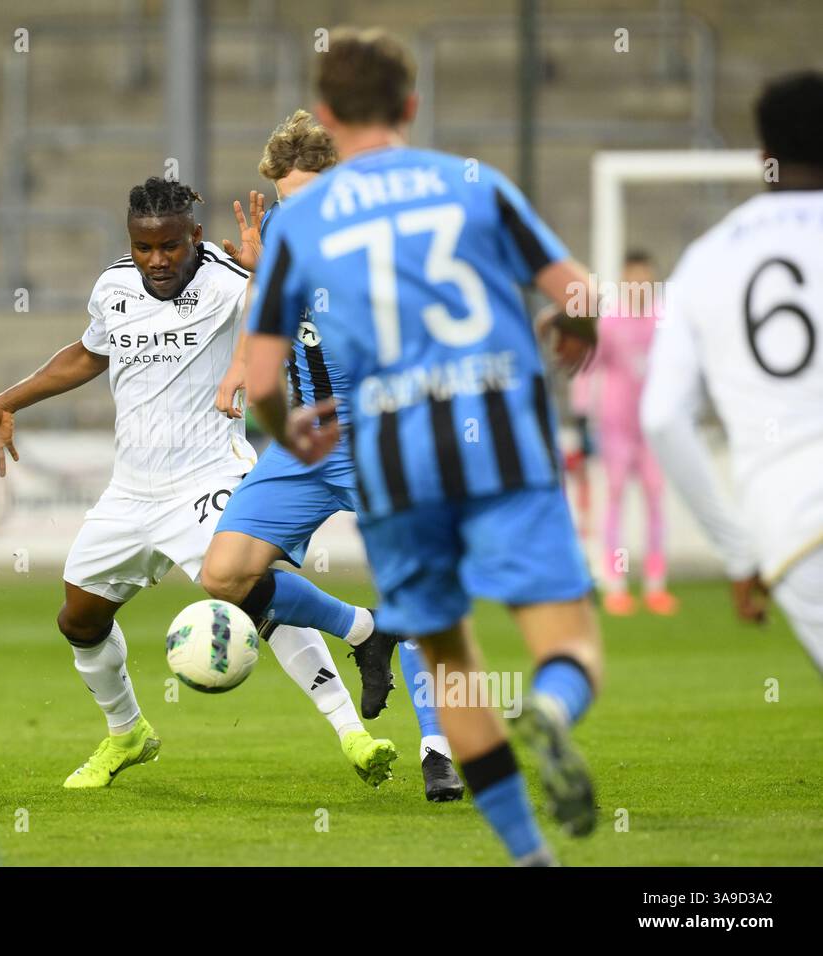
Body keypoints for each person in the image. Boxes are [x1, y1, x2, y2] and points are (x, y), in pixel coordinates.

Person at [244, 28, 603, 864]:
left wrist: (288, 425)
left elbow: (264, 378)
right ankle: (549, 708)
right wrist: (571, 327)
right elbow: (581, 294)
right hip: (502, 438)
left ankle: (529, 855)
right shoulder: (474, 185)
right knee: (566, 639)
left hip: (392, 452)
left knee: (446, 654)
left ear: (328, 115)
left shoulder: (300, 225)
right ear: (411, 106)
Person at [0, 177, 396, 788]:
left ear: (194, 236)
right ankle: (128, 733)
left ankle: (353, 731)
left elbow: (289, 312)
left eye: (169, 246)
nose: (157, 260)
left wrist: (264, 276)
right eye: (144, 248)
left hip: (208, 475)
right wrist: (8, 400)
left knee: (249, 589)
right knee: (78, 620)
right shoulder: (115, 286)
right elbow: (89, 354)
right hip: (131, 489)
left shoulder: (232, 282)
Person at [205, 109, 463, 802]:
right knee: (223, 576)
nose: (296, 211)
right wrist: (240, 363)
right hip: (305, 437)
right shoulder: (288, 229)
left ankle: (439, 748)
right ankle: (363, 631)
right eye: (286, 198)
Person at [642, 70, 823, 674]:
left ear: (765, 157)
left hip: (793, 526)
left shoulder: (710, 256)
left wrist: (738, 554)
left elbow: (664, 417)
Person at [584, 251, 677, 615]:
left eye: (644, 279)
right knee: (617, 499)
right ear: (624, 281)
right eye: (632, 279)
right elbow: (590, 367)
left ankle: (656, 585)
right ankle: (617, 584)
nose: (638, 286)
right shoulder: (610, 322)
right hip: (616, 425)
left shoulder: (665, 321)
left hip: (652, 429)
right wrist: (581, 414)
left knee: (656, 499)